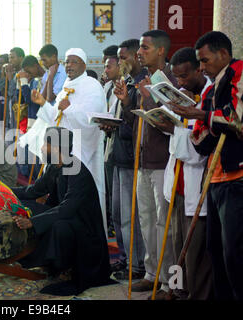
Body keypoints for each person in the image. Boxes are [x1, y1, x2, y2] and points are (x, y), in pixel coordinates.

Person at [170, 31, 243, 301]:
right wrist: (195, 120)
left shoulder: (239, 72)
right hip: (214, 179)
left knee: (234, 251)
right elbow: (200, 140)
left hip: (237, 177)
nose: (201, 67)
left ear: (223, 54)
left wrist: (202, 115)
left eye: (205, 60)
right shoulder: (210, 90)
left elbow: (237, 119)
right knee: (216, 250)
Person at [12, 126, 112, 296]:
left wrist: (33, 222)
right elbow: (33, 191)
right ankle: (36, 258)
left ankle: (62, 267)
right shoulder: (54, 167)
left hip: (85, 233)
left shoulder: (77, 170)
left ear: (57, 148)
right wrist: (2, 189)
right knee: (28, 206)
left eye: (45, 143)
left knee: (58, 225)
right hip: (68, 220)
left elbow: (67, 209)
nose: (42, 147)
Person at [149, 47, 213, 300]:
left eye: (185, 77)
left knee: (195, 251)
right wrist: (168, 125)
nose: (181, 83)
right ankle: (178, 288)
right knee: (176, 247)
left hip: (196, 187)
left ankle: (195, 294)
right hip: (176, 184)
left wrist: (175, 130)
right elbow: (179, 139)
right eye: (177, 79)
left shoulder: (207, 99)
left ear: (199, 69)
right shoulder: (187, 97)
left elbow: (197, 151)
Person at [24, 47, 108, 234]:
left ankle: (86, 232)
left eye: (73, 61)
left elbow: (93, 119)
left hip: (82, 148)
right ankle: (64, 230)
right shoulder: (67, 87)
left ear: (84, 65)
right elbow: (57, 117)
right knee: (61, 192)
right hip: (62, 149)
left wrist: (70, 109)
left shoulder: (91, 86)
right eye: (66, 62)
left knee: (78, 196)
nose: (69, 65)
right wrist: (43, 103)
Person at [131, 30, 179, 299]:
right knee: (146, 219)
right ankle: (152, 273)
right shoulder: (143, 79)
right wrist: (130, 101)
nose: (140, 52)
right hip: (142, 159)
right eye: (140, 47)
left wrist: (148, 97)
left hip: (162, 161)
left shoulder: (171, 80)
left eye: (145, 48)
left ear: (161, 51)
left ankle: (168, 281)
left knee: (164, 223)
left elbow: (170, 119)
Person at [104, 39, 148, 281]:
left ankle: (137, 264)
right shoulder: (125, 83)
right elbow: (123, 119)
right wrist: (109, 124)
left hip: (132, 156)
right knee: (119, 214)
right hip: (118, 153)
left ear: (134, 57)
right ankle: (124, 258)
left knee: (131, 216)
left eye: (123, 58)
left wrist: (127, 104)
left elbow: (137, 123)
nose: (120, 62)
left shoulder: (141, 84)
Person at [102, 55, 120, 237]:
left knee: (116, 191)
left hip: (118, 142)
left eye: (109, 66)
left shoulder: (125, 87)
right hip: (106, 140)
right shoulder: (107, 87)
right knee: (108, 187)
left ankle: (114, 224)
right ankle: (109, 221)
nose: (106, 70)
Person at [4, 47, 25, 130]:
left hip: (20, 113)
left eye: (12, 57)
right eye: (9, 58)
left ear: (21, 58)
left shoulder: (23, 73)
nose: (10, 60)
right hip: (12, 112)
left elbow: (13, 94)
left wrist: (9, 78)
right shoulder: (15, 72)